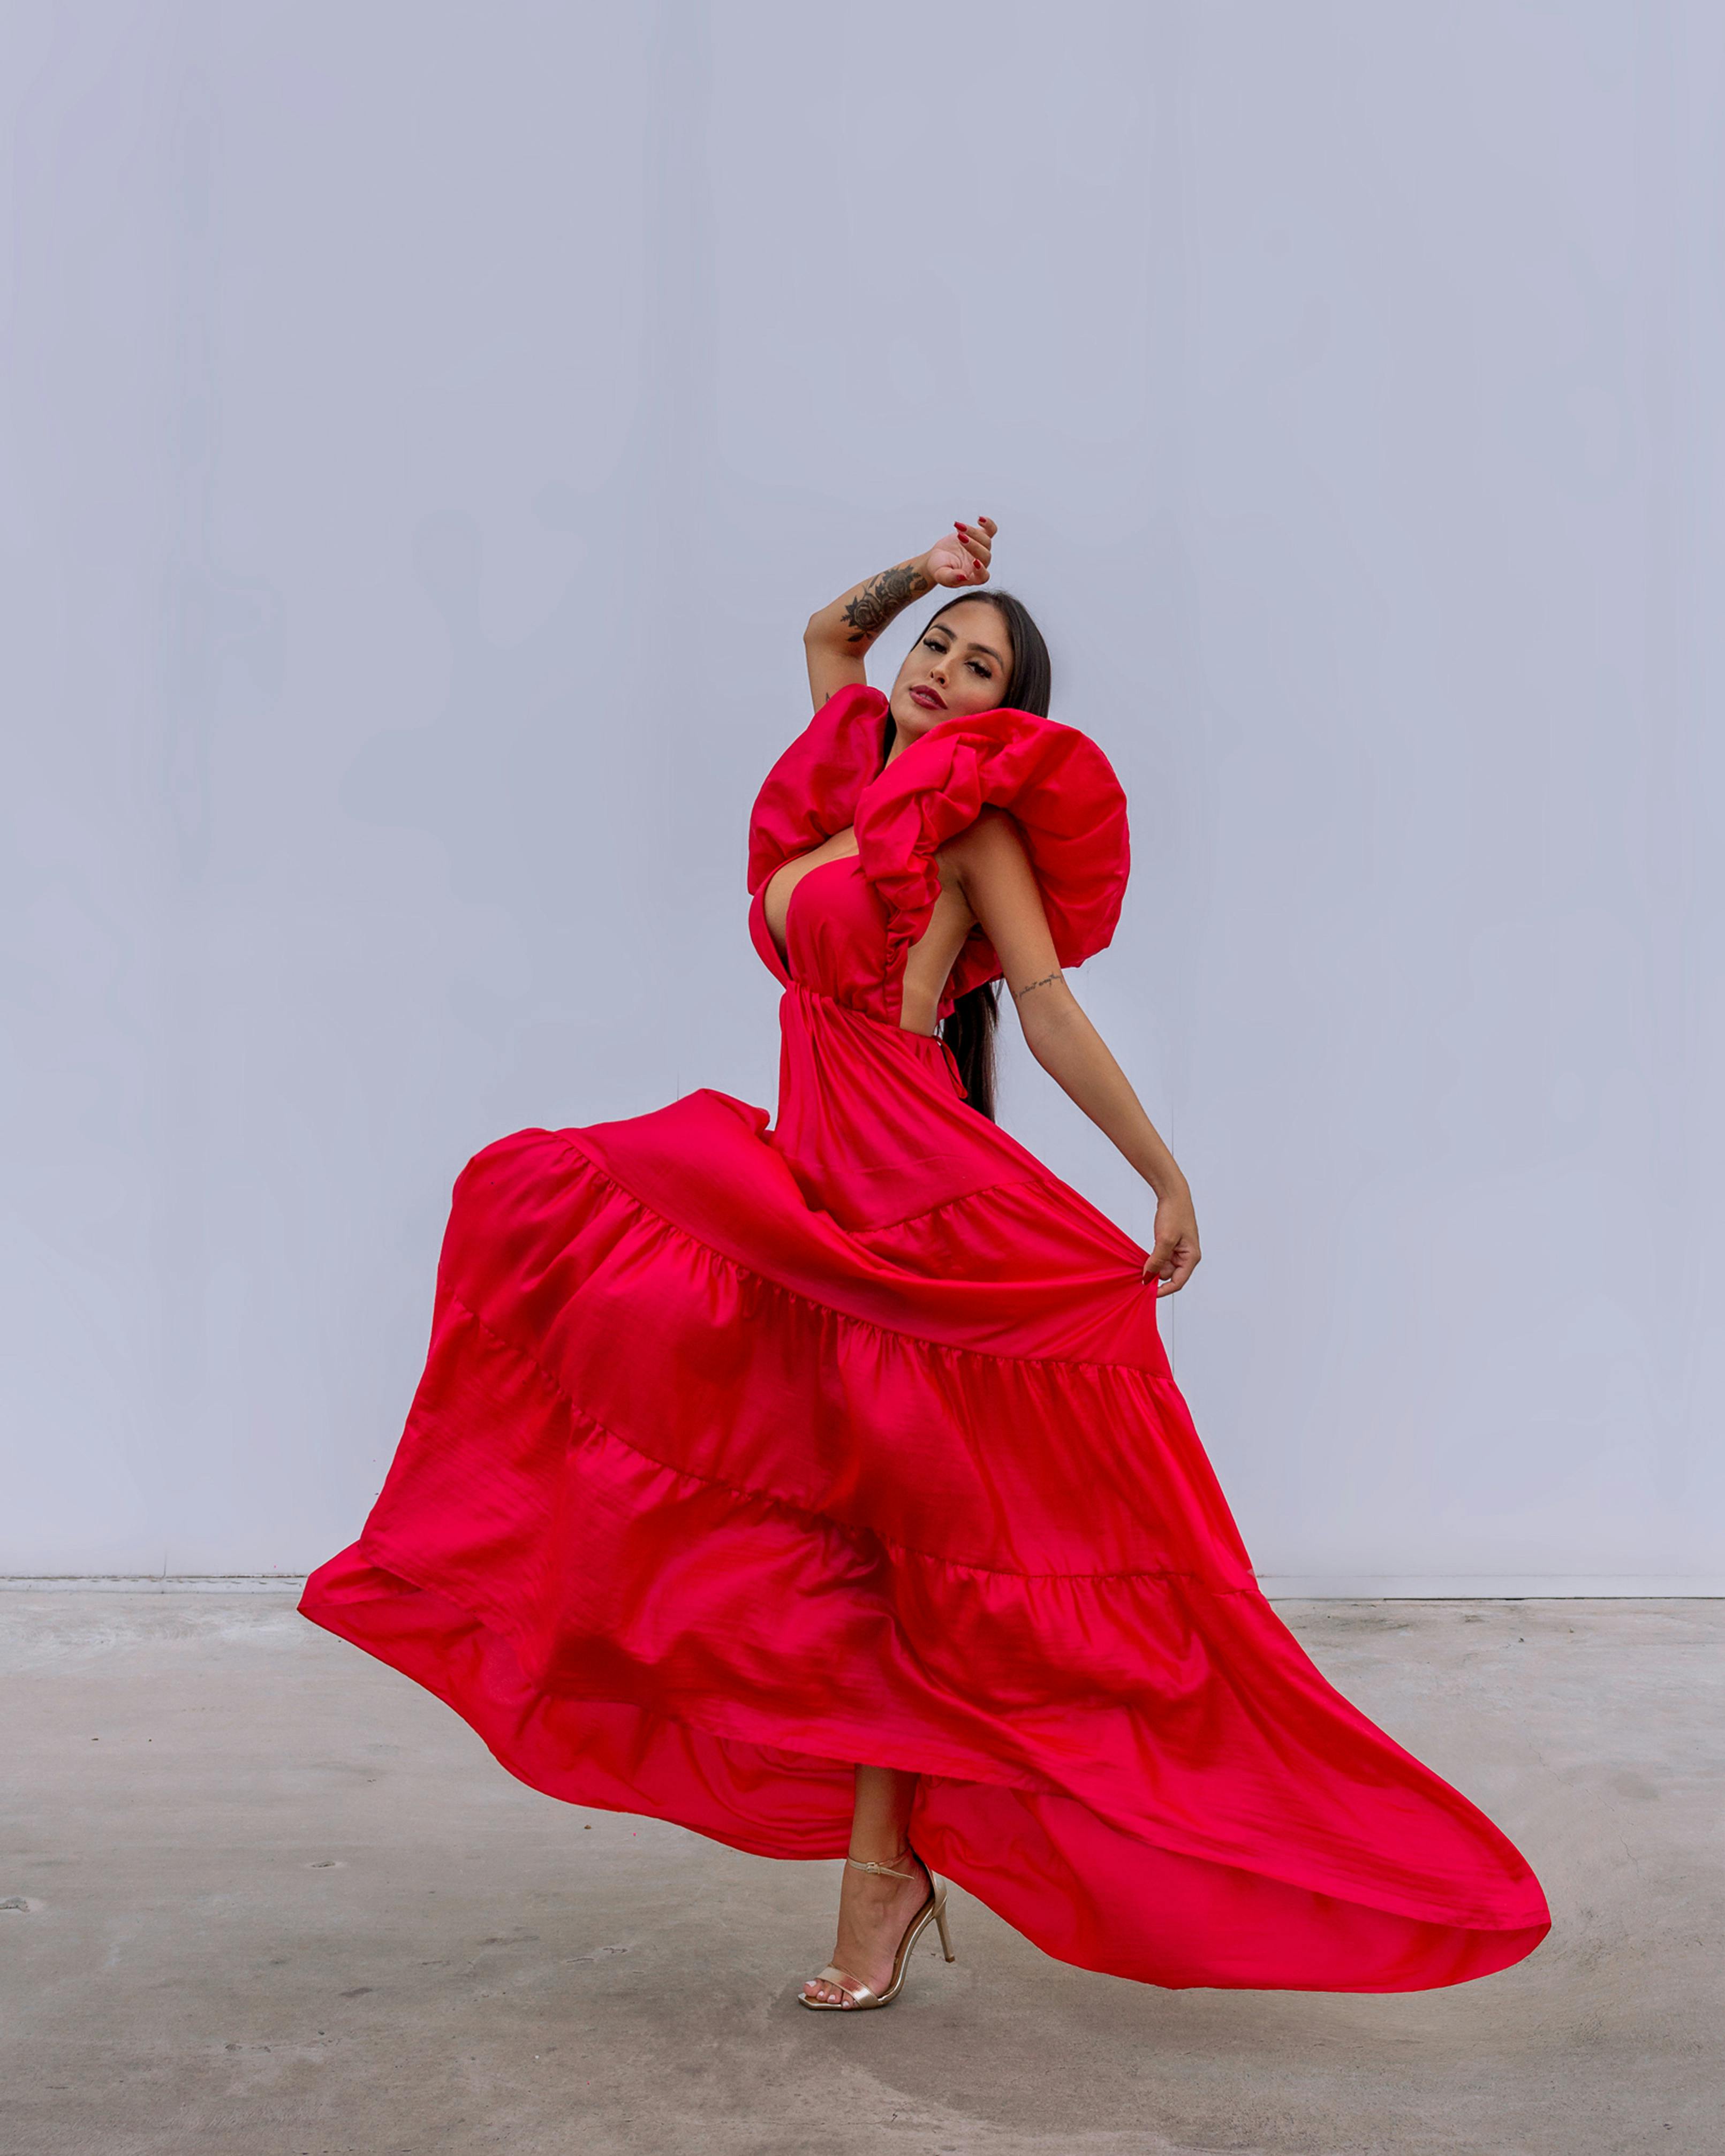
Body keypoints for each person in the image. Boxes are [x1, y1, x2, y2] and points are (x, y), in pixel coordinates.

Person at [300, 518, 1550, 2013]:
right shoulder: (838, 782)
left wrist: (1162, 1172)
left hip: (911, 1204)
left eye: (981, 669)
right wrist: (927, 565)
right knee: (553, 1211)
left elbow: (1049, 1011)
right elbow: (828, 629)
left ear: (1011, 715)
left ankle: (933, 1878)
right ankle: (874, 1872)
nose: (943, 674)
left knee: (926, 1566)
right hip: (810, 1184)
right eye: (940, 649)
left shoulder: (972, 824)